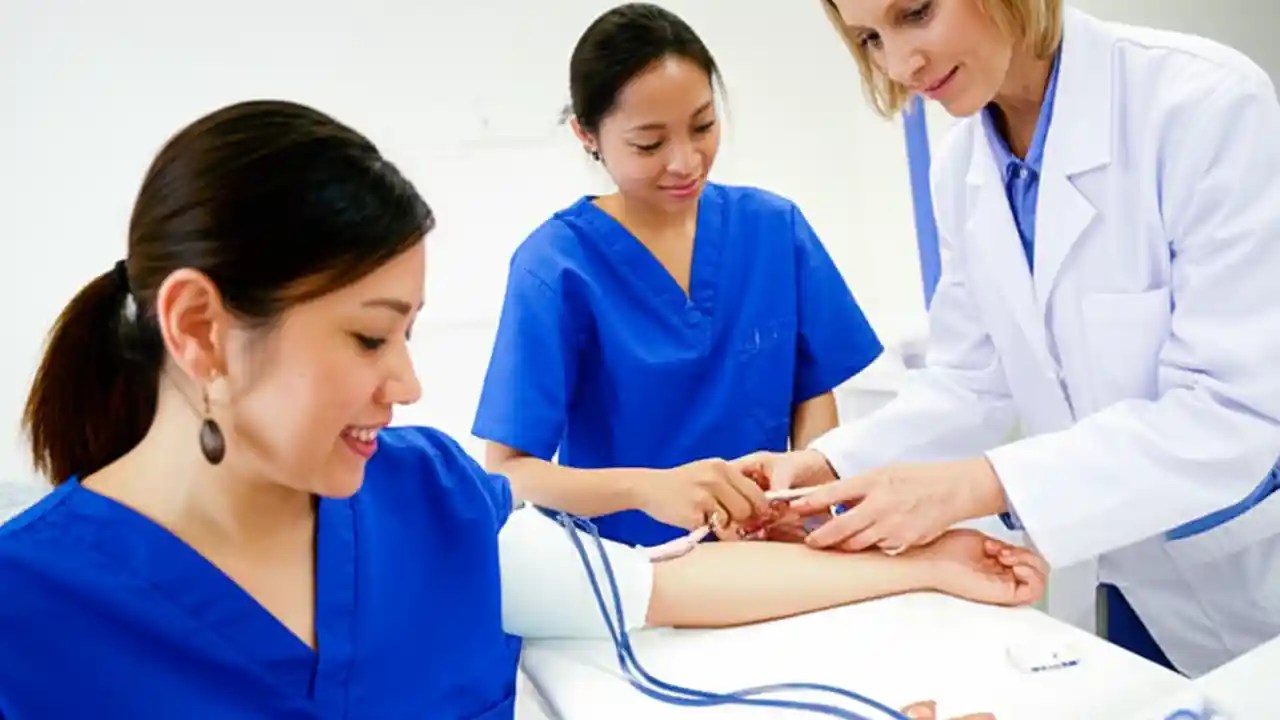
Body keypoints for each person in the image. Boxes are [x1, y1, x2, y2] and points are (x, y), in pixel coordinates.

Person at [0, 99, 1048, 719]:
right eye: (369, 337)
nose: (407, 384)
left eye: (409, 335)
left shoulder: (424, 498)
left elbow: (661, 585)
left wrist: (924, 562)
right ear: (199, 329)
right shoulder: (31, 616)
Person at [746, 0, 1280, 677]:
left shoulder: (1204, 105)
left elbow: (1232, 411)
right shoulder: (960, 169)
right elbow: (970, 382)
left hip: (1245, 573)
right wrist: (828, 467)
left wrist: (981, 483)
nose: (901, 64)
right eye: (871, 38)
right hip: (1117, 574)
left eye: (916, 12)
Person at [471, 2, 883, 548]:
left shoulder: (772, 229)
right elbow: (511, 470)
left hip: (768, 556)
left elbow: (812, 391)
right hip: (636, 571)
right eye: (649, 143)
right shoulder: (555, 266)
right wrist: (647, 490)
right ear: (586, 135)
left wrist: (805, 500)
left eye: (703, 125)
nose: (686, 161)